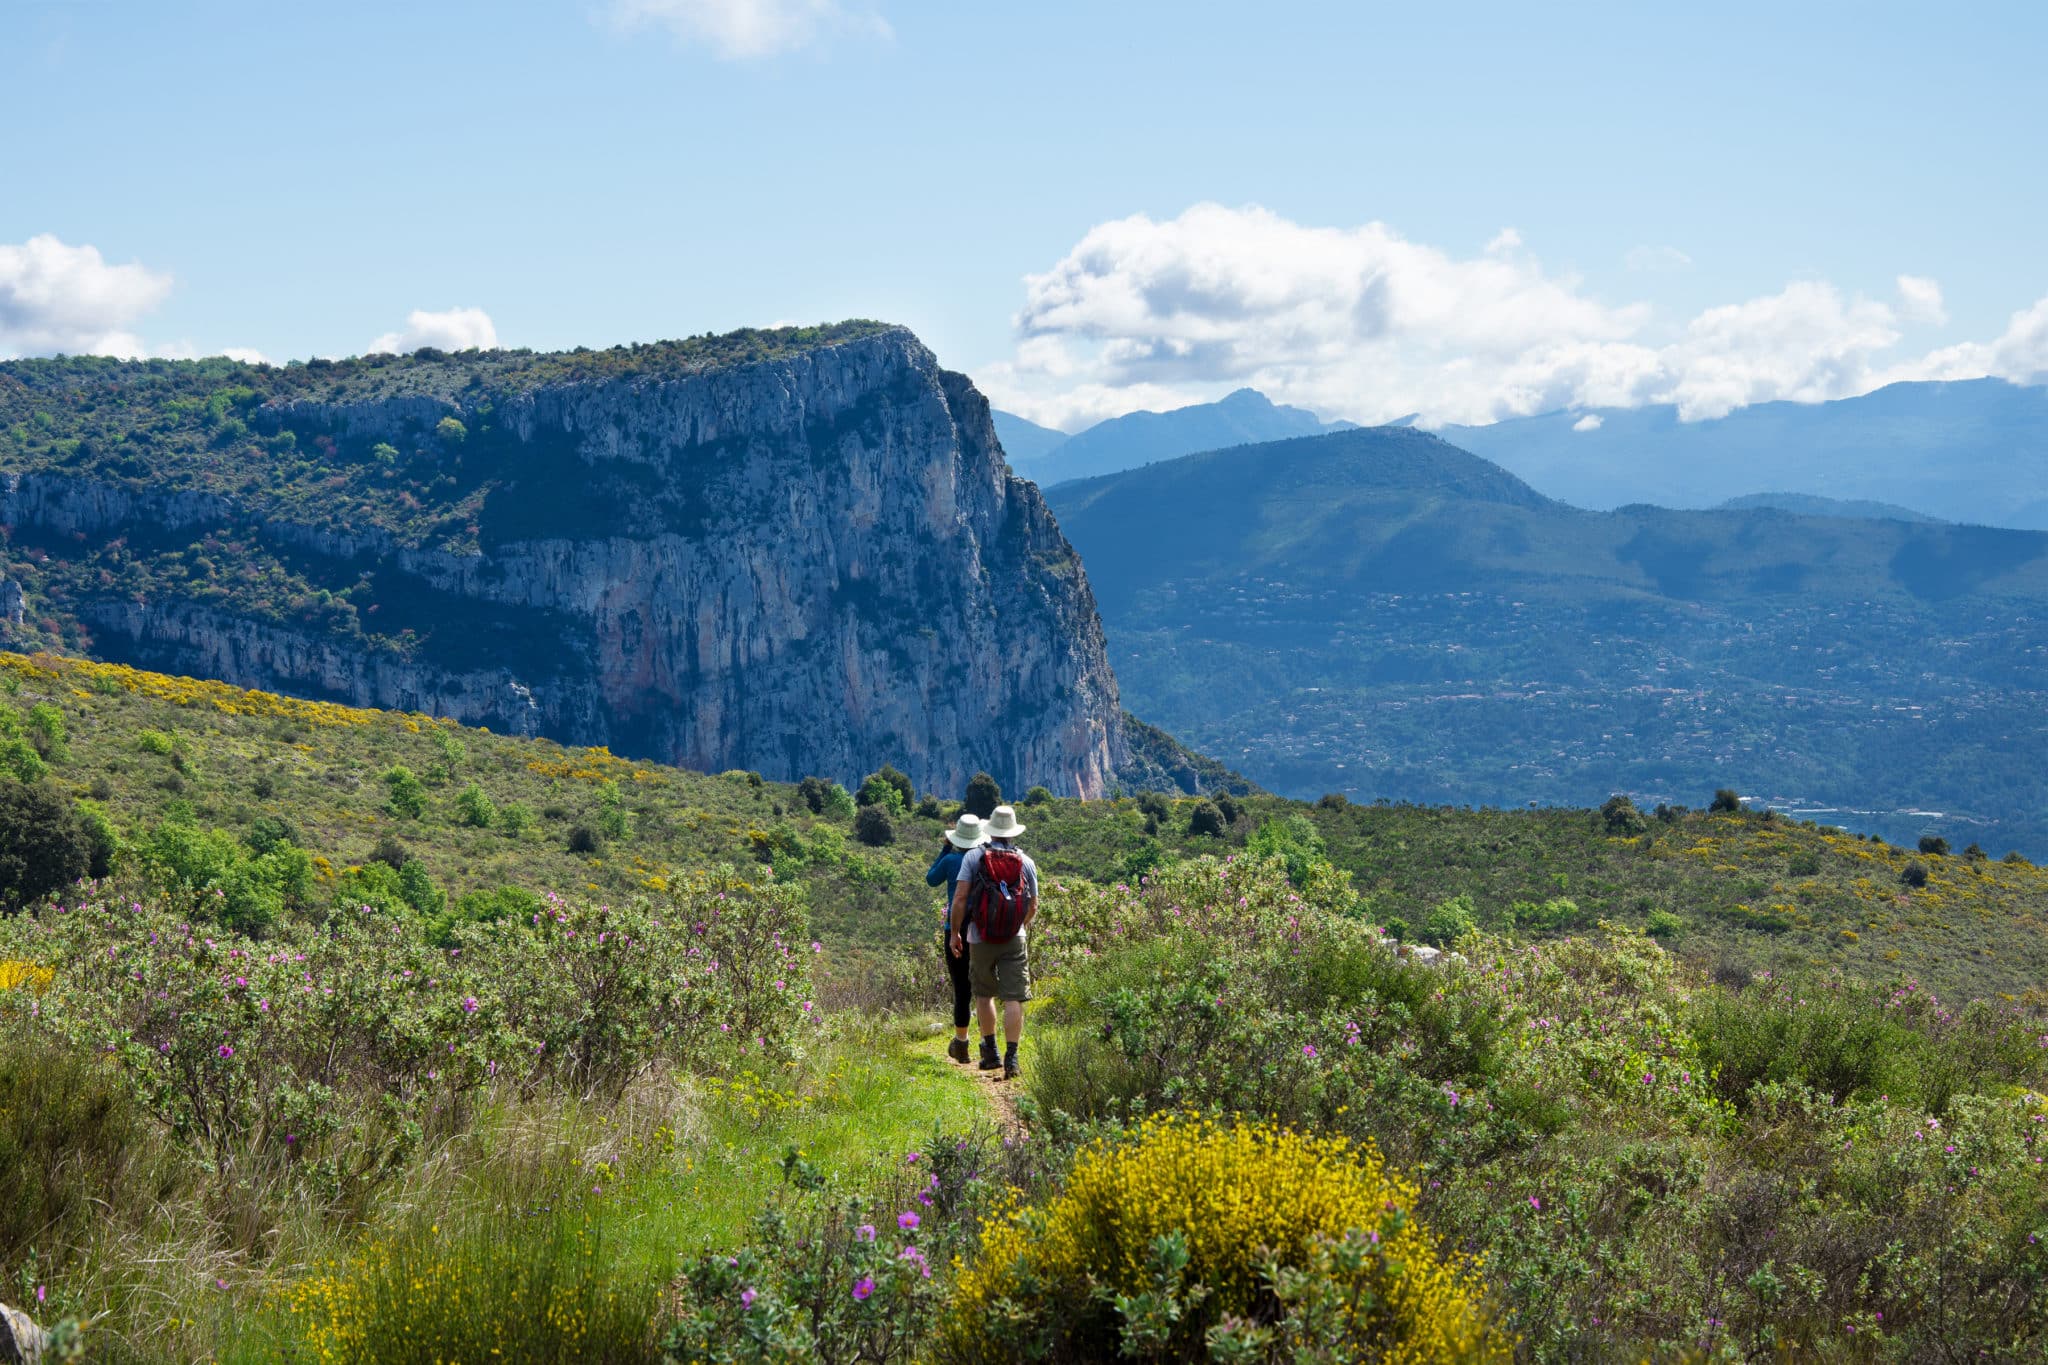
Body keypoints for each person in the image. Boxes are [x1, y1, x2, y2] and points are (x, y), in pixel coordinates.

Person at [949, 804, 1038, 1079]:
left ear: (990, 829)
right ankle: (1012, 1058)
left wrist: (955, 933)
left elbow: (960, 898)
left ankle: (991, 1053)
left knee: (984, 994)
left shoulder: (974, 857)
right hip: (1014, 938)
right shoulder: (1026, 861)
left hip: (980, 936)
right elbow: (1033, 905)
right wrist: (1017, 927)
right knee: (1014, 999)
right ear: (1012, 832)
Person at [926, 813, 985, 1063]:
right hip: (983, 930)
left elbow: (931, 879)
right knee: (983, 989)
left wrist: (944, 848)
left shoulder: (951, 860)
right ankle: (988, 1044)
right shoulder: (985, 858)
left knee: (962, 988)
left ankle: (961, 1045)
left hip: (956, 929)